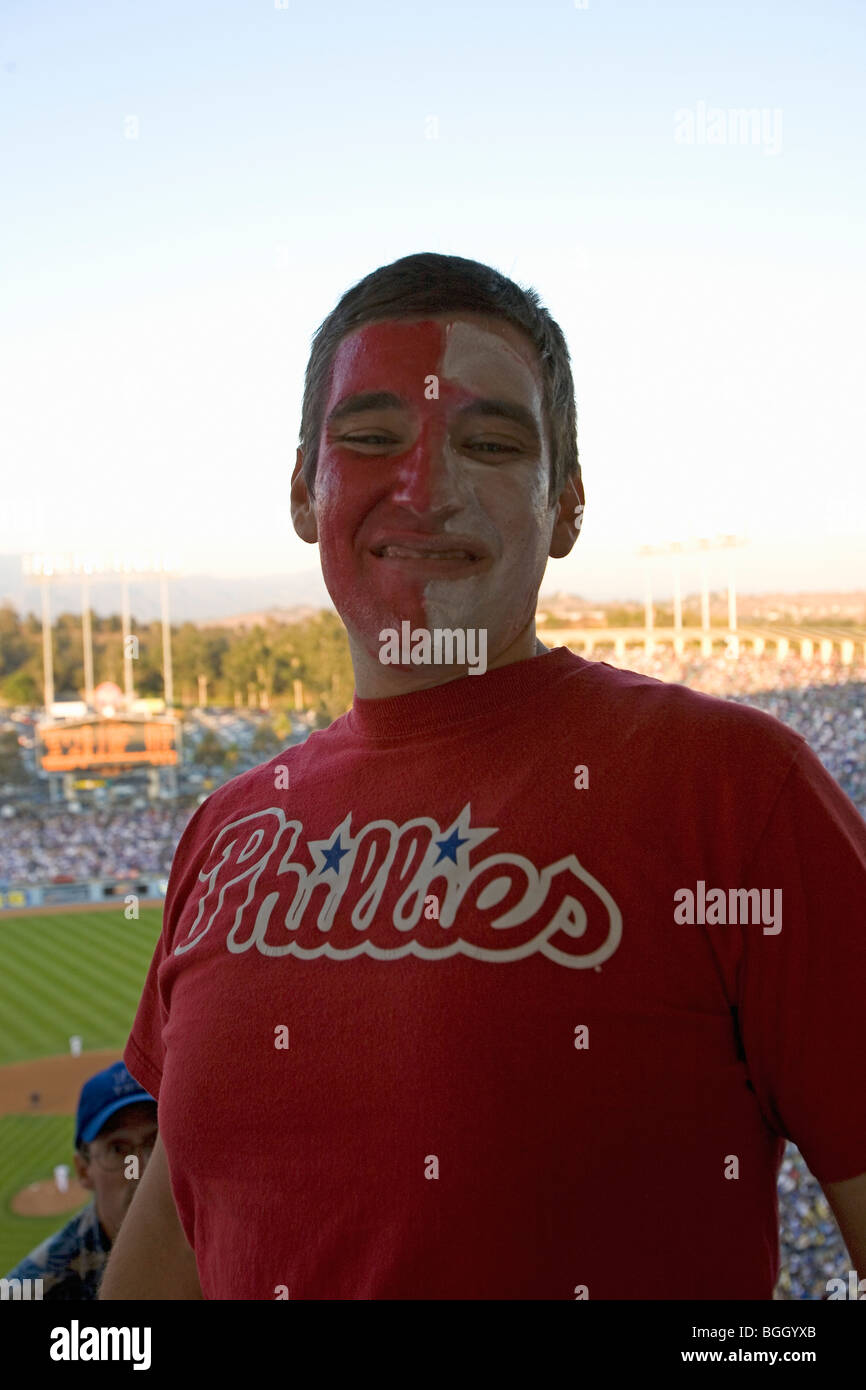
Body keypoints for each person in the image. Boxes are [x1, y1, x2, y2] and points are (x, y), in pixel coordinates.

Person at [101, 251, 866, 1300]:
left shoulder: (736, 789)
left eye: (493, 443)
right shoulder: (227, 825)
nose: (426, 485)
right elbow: (180, 1240)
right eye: (369, 438)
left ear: (566, 506)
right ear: (300, 489)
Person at [4, 1061, 156, 1299]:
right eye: (117, 1149)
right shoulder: (32, 1289)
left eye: (155, 1142)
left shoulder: (216, 1242)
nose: (138, 1169)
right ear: (84, 1170)